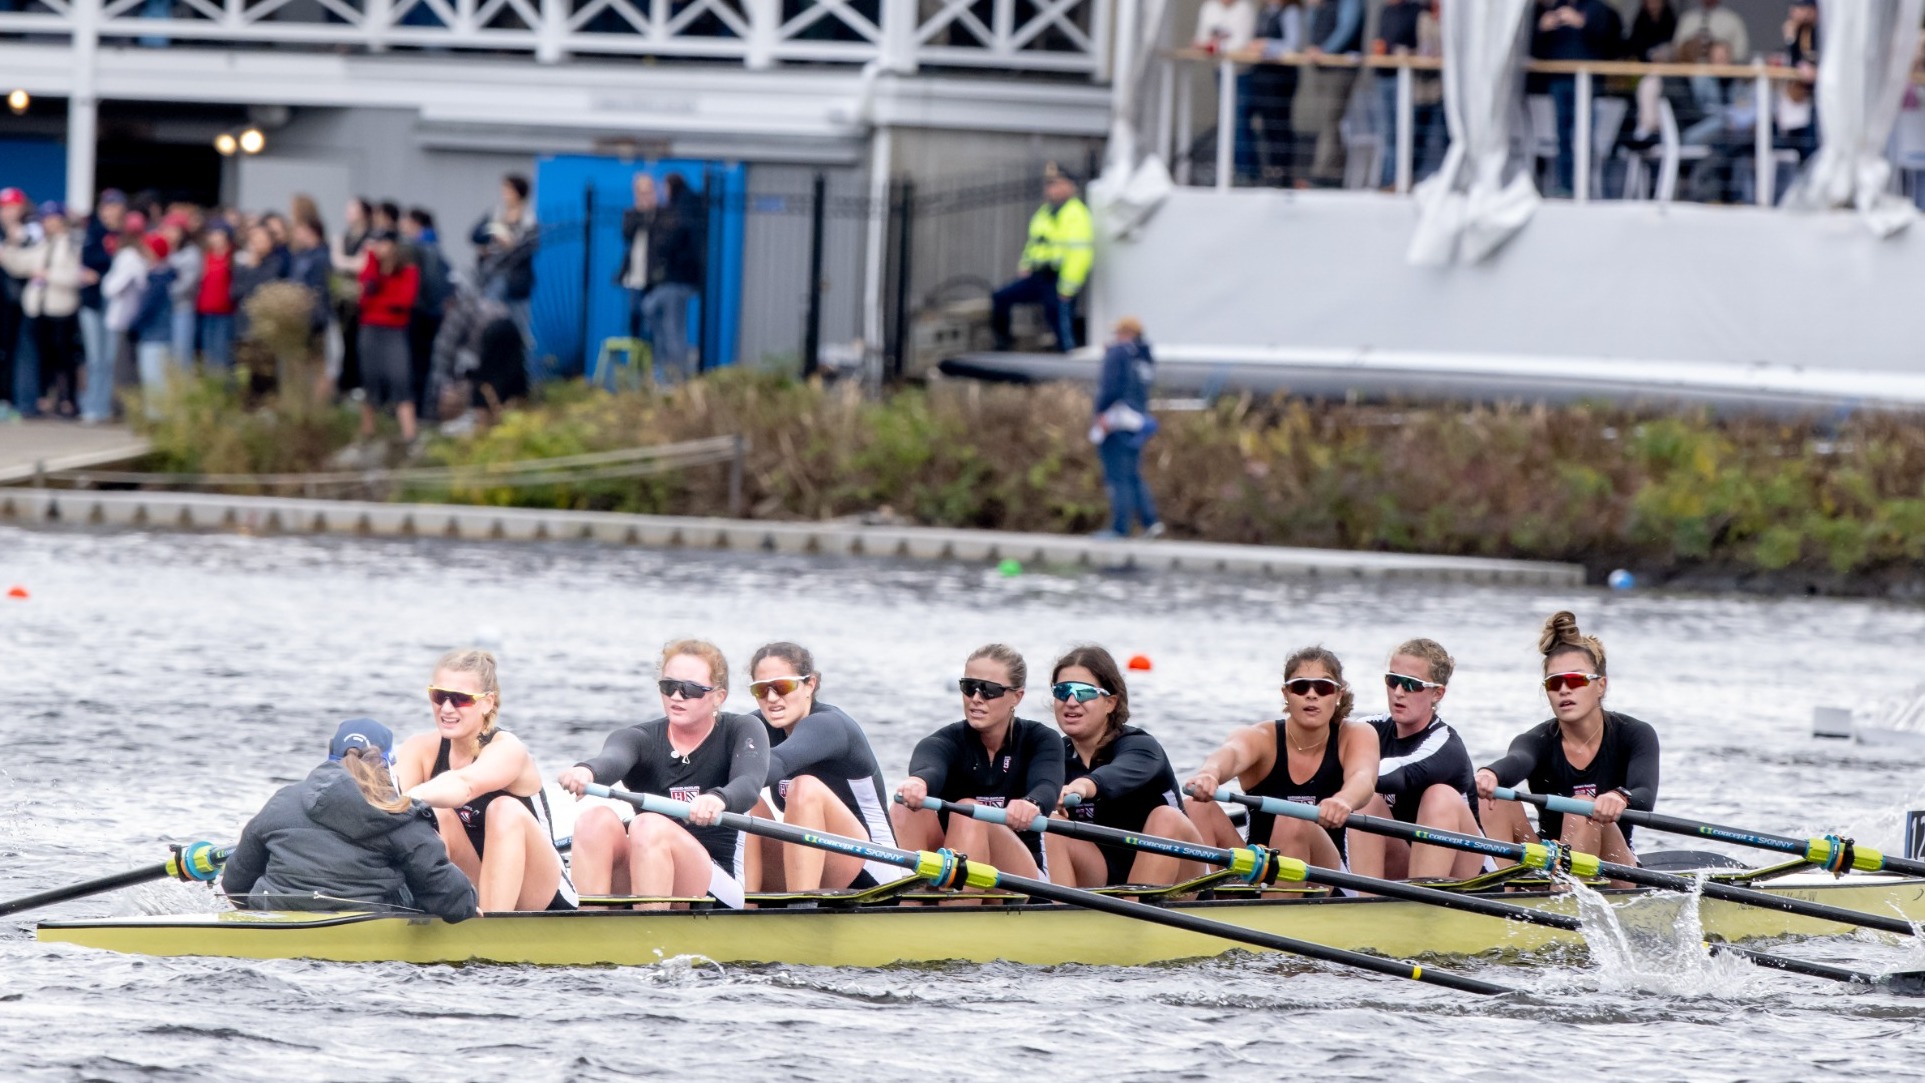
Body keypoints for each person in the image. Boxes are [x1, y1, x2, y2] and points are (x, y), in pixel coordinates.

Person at [557, 640, 769, 909]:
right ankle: (587, 923)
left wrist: (718, 799)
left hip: (716, 884)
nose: (677, 696)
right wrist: (587, 771)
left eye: (690, 689)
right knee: (594, 820)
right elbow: (612, 759)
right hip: (649, 867)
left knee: (648, 825)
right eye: (669, 686)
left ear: (719, 696)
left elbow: (748, 784)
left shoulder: (742, 729)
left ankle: (650, 930)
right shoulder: (639, 738)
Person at [222, 718, 478, 920]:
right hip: (367, 921)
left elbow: (235, 883)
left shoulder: (282, 800)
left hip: (273, 912)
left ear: (330, 755)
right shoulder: (399, 813)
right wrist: (468, 903)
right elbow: (451, 900)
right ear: (388, 763)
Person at [1475, 611, 1660, 872]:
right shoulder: (1536, 740)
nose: (1564, 690)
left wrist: (1620, 797)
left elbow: (1645, 795)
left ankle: (1564, 889)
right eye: (1554, 683)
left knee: (1582, 805)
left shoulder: (1634, 734)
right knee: (1493, 799)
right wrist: (1489, 774)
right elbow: (1517, 760)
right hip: (1549, 861)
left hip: (1613, 868)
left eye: (1575, 680)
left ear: (1601, 685)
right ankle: (1507, 887)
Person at [395, 649, 576, 912]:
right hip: (479, 880)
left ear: (488, 703)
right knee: (434, 813)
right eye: (439, 696)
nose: (447, 708)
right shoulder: (419, 748)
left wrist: (406, 798)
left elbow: (464, 786)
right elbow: (387, 807)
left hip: (543, 892)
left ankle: (490, 925)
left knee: (504, 810)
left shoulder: (508, 749)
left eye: (461, 699)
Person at [1183, 646, 1378, 872]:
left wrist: (1343, 800)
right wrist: (1209, 774)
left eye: (1323, 687)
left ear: (1338, 694)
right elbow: (1232, 753)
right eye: (1301, 686)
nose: (1311, 694)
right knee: (1196, 807)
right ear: (1286, 694)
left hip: (1327, 877)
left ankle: (1277, 893)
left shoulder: (1354, 735)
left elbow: (1363, 777)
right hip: (1256, 872)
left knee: (1293, 817)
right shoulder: (1261, 737)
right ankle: (1205, 889)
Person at [892, 643, 1065, 881]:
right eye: (969, 687)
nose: (976, 698)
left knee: (969, 813)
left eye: (989, 690)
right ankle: (912, 896)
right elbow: (930, 766)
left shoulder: (1041, 740)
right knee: (905, 807)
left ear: (1017, 696)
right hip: (953, 863)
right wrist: (918, 782)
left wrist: (1032, 803)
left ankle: (957, 901)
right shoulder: (945, 741)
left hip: (1020, 877)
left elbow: (1046, 785)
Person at [743, 642, 900, 892]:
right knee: (747, 802)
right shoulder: (756, 726)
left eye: (782, 686)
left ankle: (800, 906)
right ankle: (745, 904)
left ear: (810, 684)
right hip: (812, 860)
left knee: (803, 788)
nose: (771, 698)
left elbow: (777, 763)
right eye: (761, 689)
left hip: (875, 867)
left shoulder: (830, 726)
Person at [1047, 645, 1205, 888]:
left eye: (1084, 693)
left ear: (1110, 703)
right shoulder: (1053, 756)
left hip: (1179, 875)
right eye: (1062, 691)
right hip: (1101, 873)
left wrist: (1080, 787)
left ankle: (1136, 906)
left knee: (1165, 818)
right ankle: (1059, 909)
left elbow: (1113, 776)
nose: (1070, 702)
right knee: (1052, 825)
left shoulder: (1141, 747)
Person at [1343, 639, 1487, 882]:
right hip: (1404, 861)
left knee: (1439, 796)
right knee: (1367, 802)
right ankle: (1365, 900)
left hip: (1468, 876)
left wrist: (1351, 780)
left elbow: (1400, 773)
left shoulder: (1446, 745)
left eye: (1411, 684)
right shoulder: (1366, 729)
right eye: (1393, 681)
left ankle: (1421, 900)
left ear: (1437, 693)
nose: (1399, 692)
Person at [989, 165, 1092, 353]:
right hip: (1037, 276)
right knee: (1001, 297)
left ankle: (1067, 356)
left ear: (1069, 186)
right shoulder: (1044, 212)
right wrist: (1025, 265)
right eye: (1049, 184)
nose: (1051, 189)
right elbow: (1034, 243)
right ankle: (1003, 344)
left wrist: (1067, 287)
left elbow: (1080, 254)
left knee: (1059, 319)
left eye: (1056, 184)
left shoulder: (1076, 214)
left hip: (1057, 278)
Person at [1531, 0, 1625, 198]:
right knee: (1562, 135)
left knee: (1584, 134)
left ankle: (1584, 183)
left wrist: (1582, 22)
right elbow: (1538, 51)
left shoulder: (1595, 8)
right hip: (1559, 78)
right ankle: (1566, 185)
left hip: (1586, 81)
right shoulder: (1556, 8)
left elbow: (1609, 43)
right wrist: (1542, 28)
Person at [2, 203, 83, 418]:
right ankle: (45, 398)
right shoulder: (44, 244)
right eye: (45, 219)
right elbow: (20, 264)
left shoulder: (72, 244)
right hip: (39, 308)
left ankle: (68, 400)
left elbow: (77, 276)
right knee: (44, 357)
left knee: (64, 357)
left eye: (52, 218)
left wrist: (48, 275)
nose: (48, 223)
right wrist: (9, 246)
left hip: (62, 308)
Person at [1090, 317, 1162, 540]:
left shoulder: (1119, 353)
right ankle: (1150, 522)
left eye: (1118, 333)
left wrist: (1100, 413)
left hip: (1116, 421)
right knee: (1133, 475)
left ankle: (1120, 528)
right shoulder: (1144, 358)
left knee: (1117, 477)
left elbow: (1110, 387)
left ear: (1127, 333)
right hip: (1138, 421)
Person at [639, 173, 705, 384]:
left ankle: (677, 376)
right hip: (676, 280)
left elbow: (673, 243)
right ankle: (666, 369)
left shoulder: (680, 211)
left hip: (677, 280)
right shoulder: (688, 207)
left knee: (672, 329)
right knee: (654, 314)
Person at [470, 173, 537, 380]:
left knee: (517, 329)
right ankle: (488, 374)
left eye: (508, 190)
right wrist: (490, 238)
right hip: (492, 275)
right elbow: (474, 235)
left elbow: (529, 249)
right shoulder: (496, 212)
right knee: (487, 325)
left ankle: (518, 377)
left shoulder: (529, 219)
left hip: (515, 282)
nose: (504, 194)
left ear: (518, 193)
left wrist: (511, 245)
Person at [357, 228, 420, 442]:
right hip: (370, 329)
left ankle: (409, 434)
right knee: (370, 380)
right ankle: (367, 433)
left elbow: (405, 300)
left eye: (382, 243)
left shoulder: (408, 269)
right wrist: (371, 261)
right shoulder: (372, 267)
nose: (379, 248)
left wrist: (380, 301)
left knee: (400, 378)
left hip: (394, 330)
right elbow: (364, 299)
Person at [1292, 0, 1364, 189]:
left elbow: (1346, 28)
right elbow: (1312, 23)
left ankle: (1322, 174)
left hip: (1340, 69)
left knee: (1331, 120)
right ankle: (1334, 172)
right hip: (1322, 67)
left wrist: (1325, 51)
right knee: (1327, 121)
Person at [1375, 0, 1445, 189]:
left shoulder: (1415, 12)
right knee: (1405, 135)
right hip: (1418, 86)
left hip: (1437, 86)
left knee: (1439, 137)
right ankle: (1396, 179)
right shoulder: (1415, 15)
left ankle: (1433, 180)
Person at [1194, 0, 1258, 183]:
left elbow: (1241, 43)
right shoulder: (1209, 8)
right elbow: (1201, 39)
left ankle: (1245, 172)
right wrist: (1210, 46)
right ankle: (1229, 169)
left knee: (1239, 120)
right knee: (1227, 119)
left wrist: (1213, 47)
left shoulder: (1244, 9)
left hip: (1242, 73)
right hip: (1221, 70)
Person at [77, 191, 124, 423]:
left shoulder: (125, 234)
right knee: (94, 357)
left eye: (114, 206)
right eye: (106, 206)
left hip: (115, 302)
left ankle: (104, 407)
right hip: (91, 302)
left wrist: (100, 273)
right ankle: (91, 406)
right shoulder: (91, 231)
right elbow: (85, 261)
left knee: (109, 358)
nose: (109, 211)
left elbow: (118, 265)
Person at [1246, 1, 1304, 186]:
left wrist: (1266, 45)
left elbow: (1292, 45)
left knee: (1280, 123)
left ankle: (1283, 171)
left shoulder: (1290, 12)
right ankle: (1272, 168)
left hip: (1280, 76)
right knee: (1268, 124)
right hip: (1262, 74)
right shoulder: (1265, 12)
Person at [402, 208, 451, 417]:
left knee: (418, 362)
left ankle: (419, 408)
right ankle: (424, 408)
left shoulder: (417, 246)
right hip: (434, 313)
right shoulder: (434, 244)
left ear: (415, 223)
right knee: (429, 361)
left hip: (421, 311)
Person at [128, 231, 178, 416]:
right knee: (154, 376)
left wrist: (134, 325)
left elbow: (148, 308)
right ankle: (155, 415)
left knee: (154, 377)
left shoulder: (159, 278)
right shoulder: (158, 275)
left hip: (156, 333)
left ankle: (157, 417)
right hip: (155, 333)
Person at [331, 197, 372, 395]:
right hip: (343, 296)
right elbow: (337, 261)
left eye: (352, 210)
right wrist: (349, 262)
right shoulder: (345, 236)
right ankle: (346, 382)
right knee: (344, 341)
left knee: (357, 341)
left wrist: (345, 261)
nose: (347, 214)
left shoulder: (369, 237)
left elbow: (361, 264)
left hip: (360, 297)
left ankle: (357, 383)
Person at [616, 173, 657, 343]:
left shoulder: (660, 214)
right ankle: (636, 347)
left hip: (653, 273)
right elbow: (627, 234)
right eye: (641, 192)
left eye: (648, 192)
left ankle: (652, 350)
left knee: (652, 315)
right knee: (635, 313)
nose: (645, 196)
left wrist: (651, 212)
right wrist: (641, 212)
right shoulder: (631, 214)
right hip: (635, 272)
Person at [158, 211, 201, 370]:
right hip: (162, 312)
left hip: (182, 309)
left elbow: (187, 284)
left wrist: (161, 292)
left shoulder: (191, 253)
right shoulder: (163, 252)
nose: (169, 233)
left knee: (181, 355)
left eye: (174, 229)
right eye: (166, 229)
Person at [195, 223, 236, 373]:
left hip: (225, 312)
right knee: (209, 353)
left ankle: (223, 383)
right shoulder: (205, 257)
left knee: (222, 352)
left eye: (218, 234)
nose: (215, 238)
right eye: (212, 235)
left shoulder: (232, 258)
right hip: (206, 311)